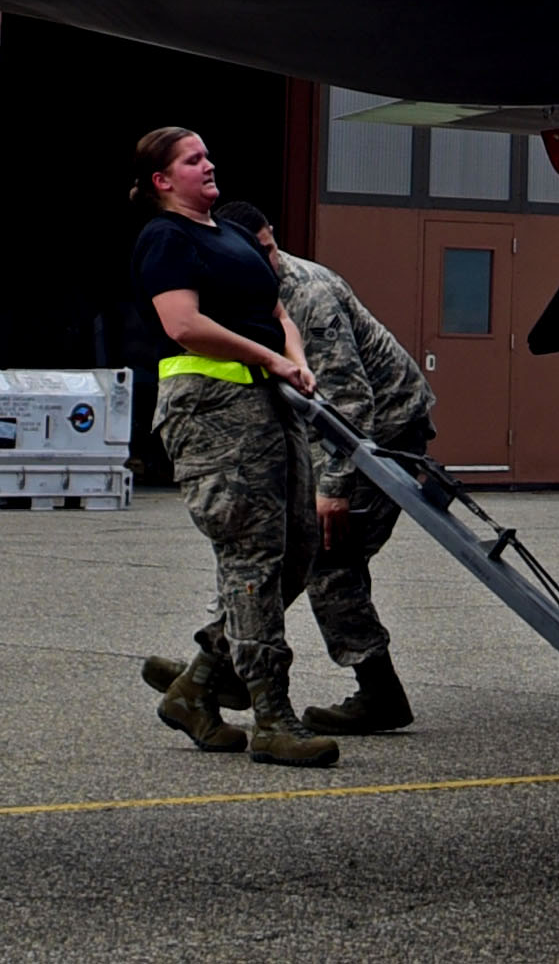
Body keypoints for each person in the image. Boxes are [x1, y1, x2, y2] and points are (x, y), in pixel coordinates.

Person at [148, 214, 429, 735]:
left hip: (383, 434)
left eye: (272, 249)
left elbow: (351, 400)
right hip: (328, 431)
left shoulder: (307, 296)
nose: (269, 263)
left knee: (325, 555)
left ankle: (376, 694)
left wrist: (334, 489)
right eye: (257, 255)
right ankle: (216, 670)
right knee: (276, 548)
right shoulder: (232, 292)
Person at [128, 124, 341, 766]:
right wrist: (268, 361)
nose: (209, 164)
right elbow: (184, 324)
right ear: (164, 181)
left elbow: (279, 313)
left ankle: (196, 685)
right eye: (194, 160)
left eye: (208, 155)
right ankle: (273, 717)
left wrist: (293, 358)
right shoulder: (166, 237)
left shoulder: (238, 238)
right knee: (252, 554)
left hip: (271, 402)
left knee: (299, 547)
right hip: (213, 407)